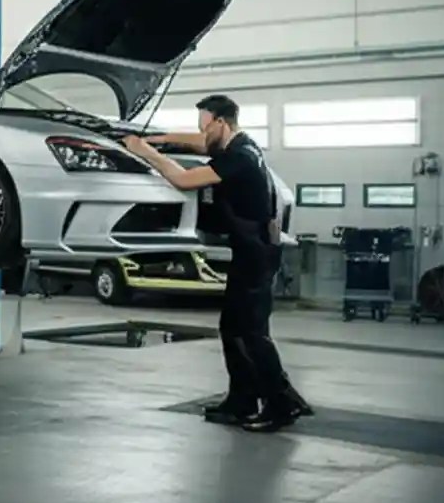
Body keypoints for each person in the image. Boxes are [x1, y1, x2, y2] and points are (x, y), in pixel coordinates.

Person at [122, 94, 312, 432]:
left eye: (204, 124)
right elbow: (198, 141)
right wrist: (160, 139)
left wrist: (145, 151)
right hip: (254, 248)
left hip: (257, 252)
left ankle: (281, 403)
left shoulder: (238, 158)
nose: (200, 133)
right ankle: (242, 400)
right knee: (233, 327)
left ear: (220, 123)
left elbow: (183, 180)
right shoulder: (243, 143)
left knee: (250, 331)